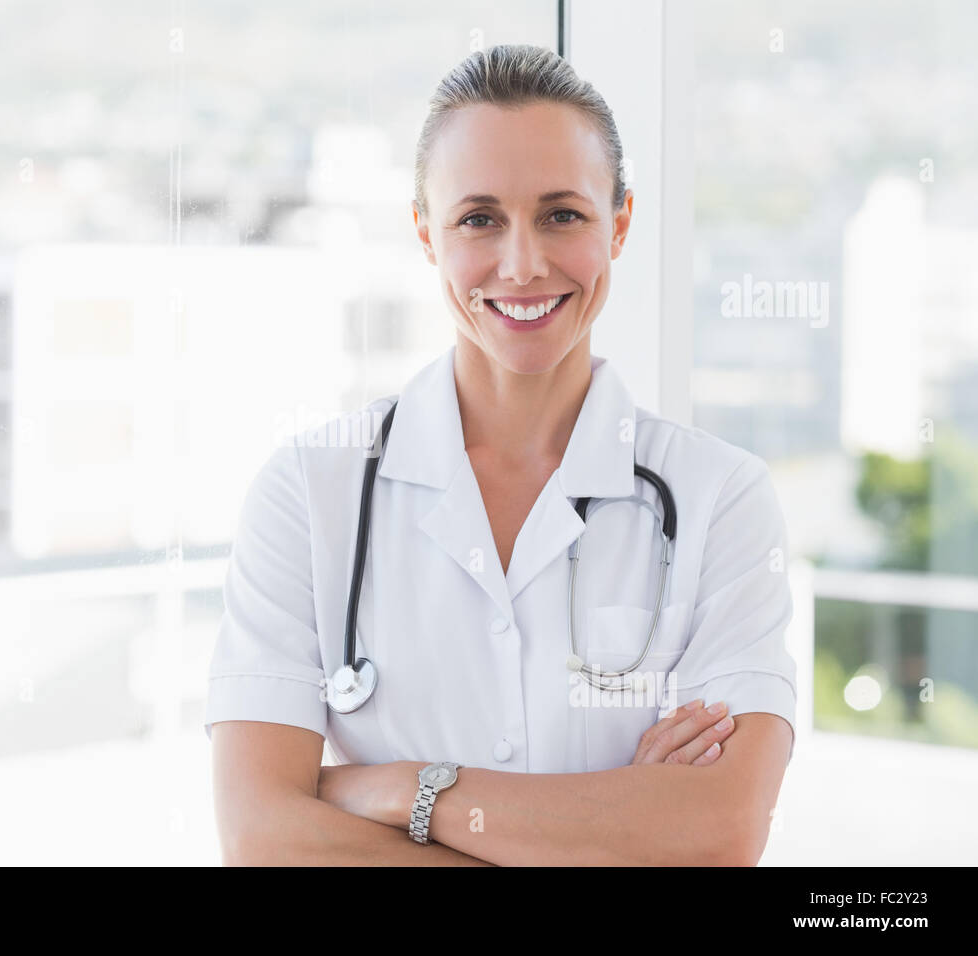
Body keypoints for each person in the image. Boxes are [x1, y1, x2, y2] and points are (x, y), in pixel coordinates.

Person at [205, 43, 796, 866]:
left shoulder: (720, 498)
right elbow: (262, 838)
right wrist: (622, 826)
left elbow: (719, 831)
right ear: (425, 234)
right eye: (479, 218)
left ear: (619, 224)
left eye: (563, 215)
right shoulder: (308, 493)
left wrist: (398, 788)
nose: (522, 264)